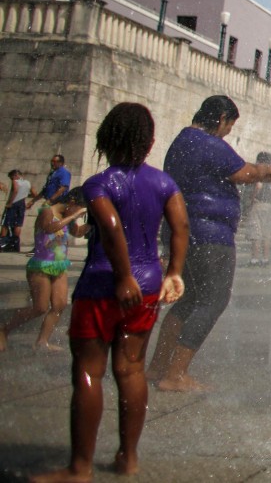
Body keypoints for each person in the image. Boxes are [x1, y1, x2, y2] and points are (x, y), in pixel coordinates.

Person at [32, 102, 189, 482]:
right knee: (131, 369)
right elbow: (181, 226)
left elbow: (111, 225)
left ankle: (80, 467)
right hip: (149, 284)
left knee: (88, 371)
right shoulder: (165, 183)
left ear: (107, 138)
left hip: (104, 284)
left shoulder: (100, 183)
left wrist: (122, 277)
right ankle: (128, 457)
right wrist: (173, 273)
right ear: (150, 143)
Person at [147, 95, 271, 393]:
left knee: (188, 300)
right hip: (210, 236)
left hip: (182, 232)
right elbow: (247, 173)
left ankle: (158, 366)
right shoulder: (209, 144)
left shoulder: (181, 141)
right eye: (230, 125)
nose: (229, 131)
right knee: (213, 301)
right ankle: (176, 374)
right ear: (220, 119)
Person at [0, 188, 89, 352]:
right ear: (72, 203)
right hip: (40, 266)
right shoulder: (47, 211)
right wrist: (72, 216)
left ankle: (42, 341)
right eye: (81, 209)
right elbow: (49, 228)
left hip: (59, 265)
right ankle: (4, 329)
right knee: (40, 307)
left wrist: (91, 224)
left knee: (59, 305)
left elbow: (76, 232)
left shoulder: (68, 216)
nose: (80, 213)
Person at [244, 151, 271, 266]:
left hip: (258, 205)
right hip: (269, 206)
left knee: (256, 233)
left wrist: (252, 198)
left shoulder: (260, 171)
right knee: (266, 234)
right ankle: (265, 259)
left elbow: (258, 186)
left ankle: (254, 259)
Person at [1, 169, 32, 252]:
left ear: (15, 175)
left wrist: (10, 203)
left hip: (14, 203)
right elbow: (34, 192)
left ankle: (2, 243)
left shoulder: (15, 181)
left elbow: (15, 190)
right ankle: (15, 244)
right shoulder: (27, 183)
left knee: (5, 223)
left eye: (11, 178)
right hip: (22, 203)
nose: (11, 180)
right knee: (18, 224)